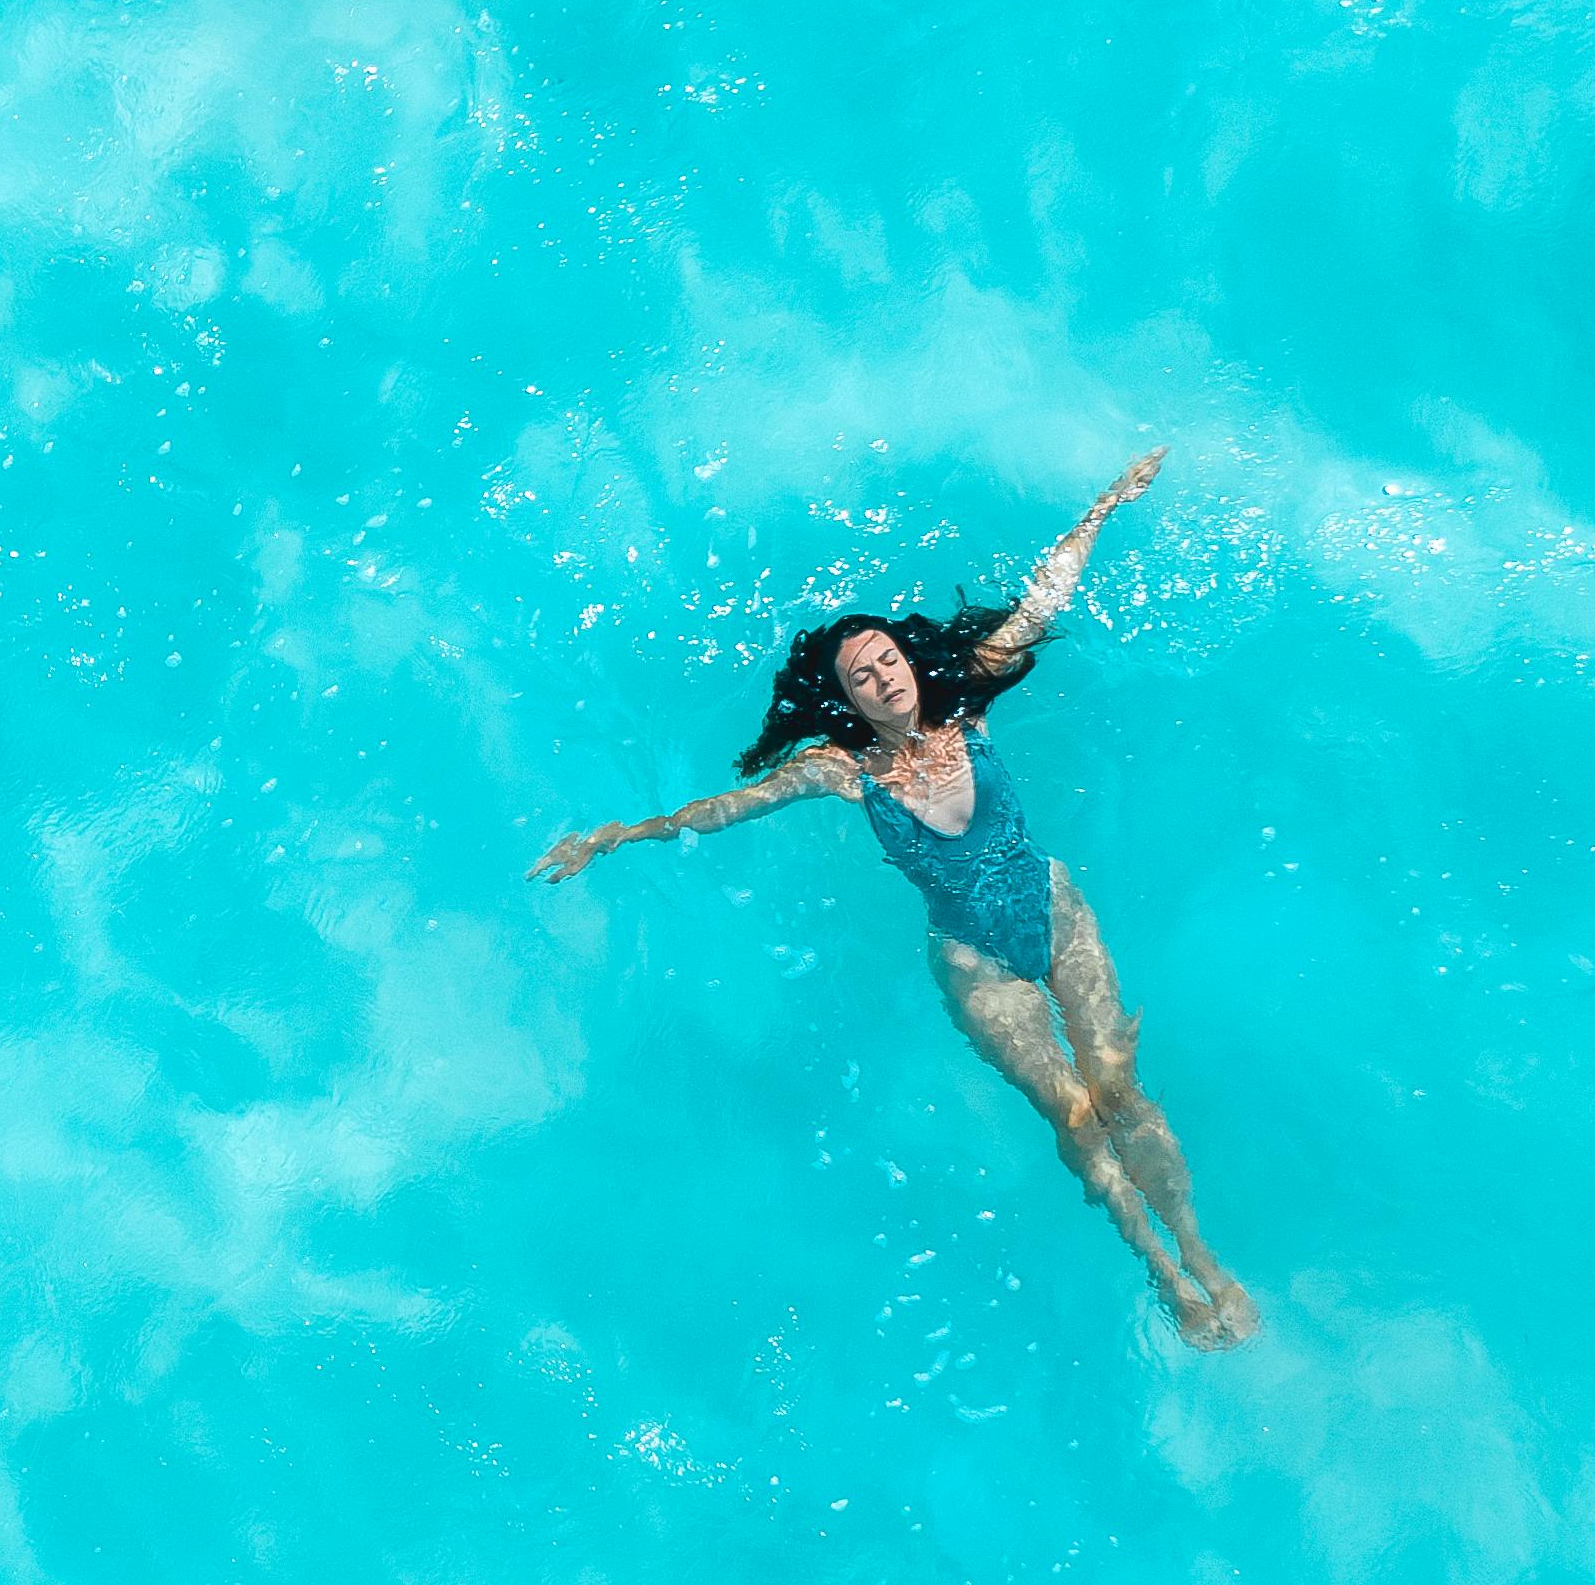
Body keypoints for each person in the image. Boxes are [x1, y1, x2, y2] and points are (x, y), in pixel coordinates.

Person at [536, 450, 1257, 1346]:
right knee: (1073, 1113)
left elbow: (1042, 602)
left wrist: (1105, 506)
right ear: (846, 700)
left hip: (1056, 914)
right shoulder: (845, 772)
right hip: (976, 963)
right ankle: (1163, 1274)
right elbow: (718, 810)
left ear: (909, 658)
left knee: (1120, 1087)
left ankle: (1205, 1254)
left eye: (886, 660)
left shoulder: (969, 711)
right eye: (861, 678)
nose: (883, 679)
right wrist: (607, 839)